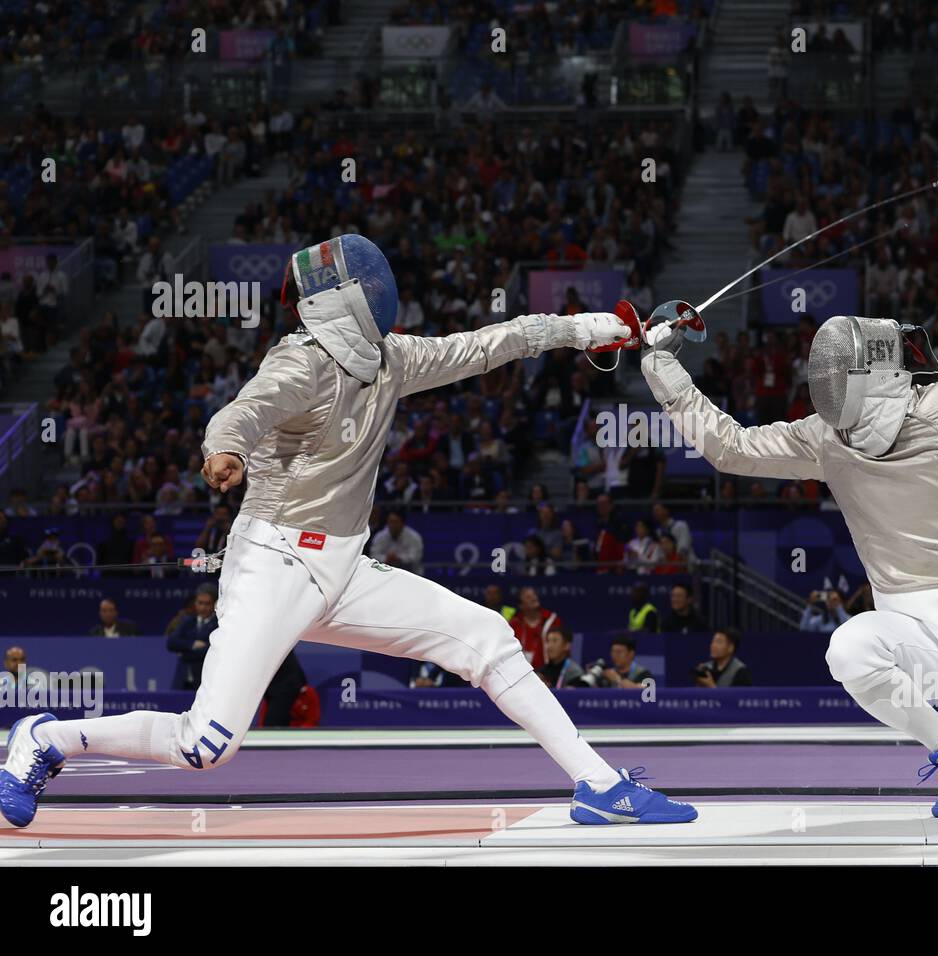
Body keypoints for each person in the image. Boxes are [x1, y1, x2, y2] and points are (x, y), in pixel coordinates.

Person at [2, 234, 694, 828]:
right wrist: (225, 452)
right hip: (272, 564)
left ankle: (600, 786)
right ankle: (48, 736)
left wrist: (589, 328)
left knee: (486, 636)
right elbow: (244, 410)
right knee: (206, 744)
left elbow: (491, 343)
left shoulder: (391, 359)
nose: (383, 295)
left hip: (342, 569)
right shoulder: (300, 361)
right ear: (342, 300)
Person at [641, 314, 938, 819]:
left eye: (839, 370)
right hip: (914, 633)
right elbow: (730, 448)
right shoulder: (824, 438)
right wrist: (662, 366)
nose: (829, 382)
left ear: (873, 370)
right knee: (848, 648)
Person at [167, 585, 218, 690]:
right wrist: (192, 644)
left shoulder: (219, 624)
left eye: (207, 604)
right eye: (200, 603)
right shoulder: (187, 621)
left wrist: (184, 651)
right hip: (182, 680)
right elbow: (171, 643)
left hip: (204, 680)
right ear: (195, 602)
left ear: (214, 604)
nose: (203, 607)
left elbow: (212, 649)